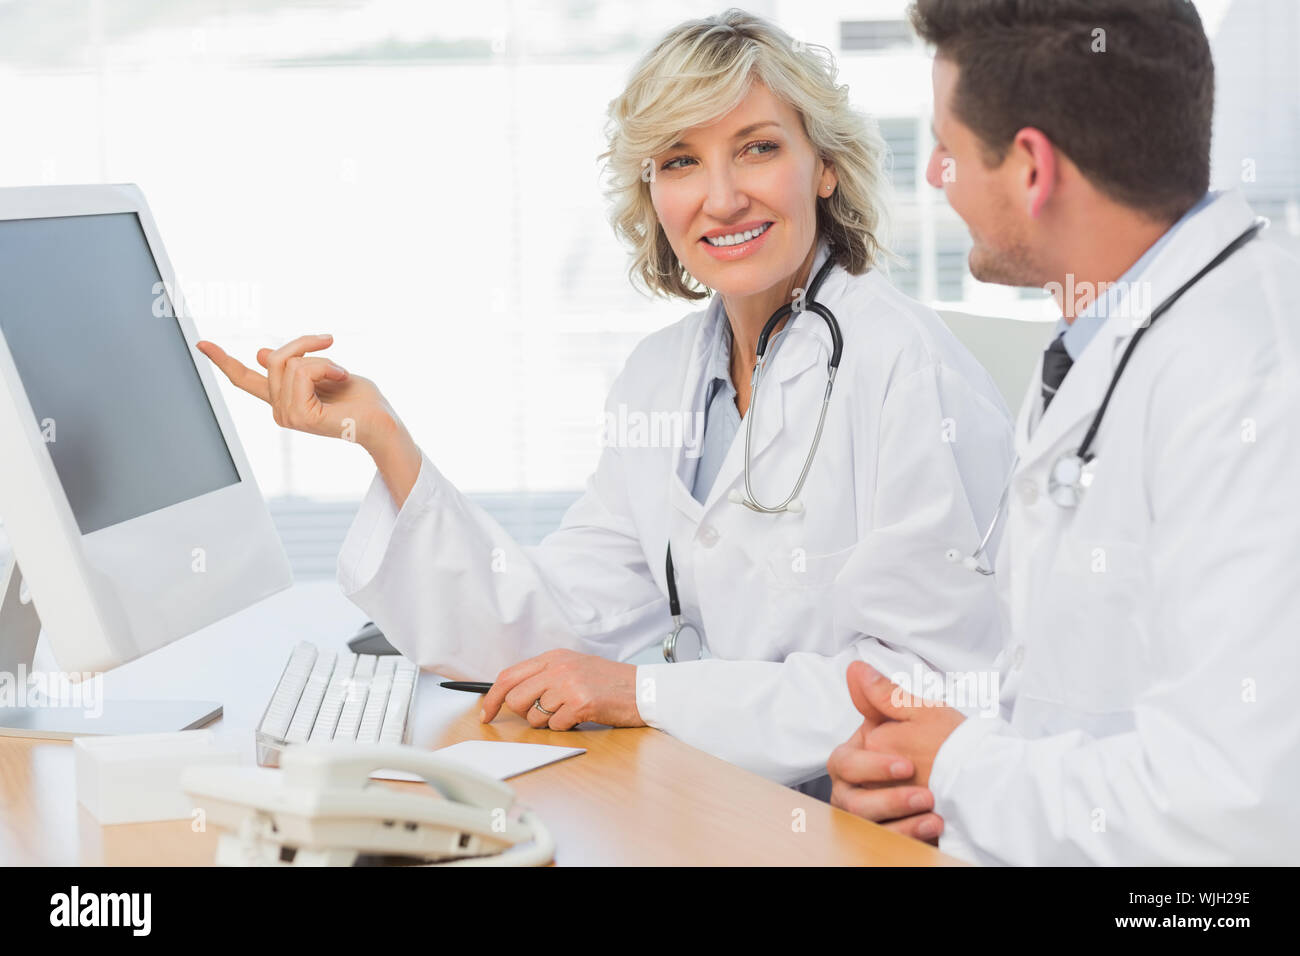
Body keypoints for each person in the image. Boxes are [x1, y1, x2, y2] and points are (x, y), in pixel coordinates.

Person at [198, 9, 1013, 822]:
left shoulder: (903, 366)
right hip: (728, 798)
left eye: (758, 148)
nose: (723, 198)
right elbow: (558, 626)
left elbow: (920, 683)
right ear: (651, 191)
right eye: (681, 161)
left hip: (876, 820)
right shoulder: (662, 380)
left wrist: (643, 692)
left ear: (824, 167)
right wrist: (382, 438)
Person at [828, 0, 1300, 863]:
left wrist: (959, 771)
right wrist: (925, 776)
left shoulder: (1257, 380)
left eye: (949, 148)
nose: (936, 175)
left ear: (1031, 169)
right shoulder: (1105, 341)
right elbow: (1065, 700)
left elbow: (1242, 813)